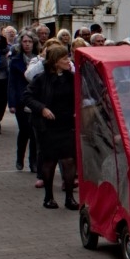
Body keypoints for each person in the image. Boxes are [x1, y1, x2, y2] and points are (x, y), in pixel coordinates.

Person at [25, 43, 77, 209]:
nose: (68, 61)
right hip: (47, 126)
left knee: (69, 160)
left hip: (67, 125)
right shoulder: (41, 79)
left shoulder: (72, 77)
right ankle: (48, 197)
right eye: (64, 58)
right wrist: (42, 109)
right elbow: (27, 97)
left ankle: (69, 197)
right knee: (50, 160)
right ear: (55, 62)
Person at [9, 34, 40, 175]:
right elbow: (11, 83)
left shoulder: (39, 60)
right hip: (21, 99)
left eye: (30, 41)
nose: (27, 44)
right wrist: (12, 103)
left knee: (34, 132)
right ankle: (19, 158)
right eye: (24, 41)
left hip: (35, 99)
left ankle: (33, 161)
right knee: (24, 130)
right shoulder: (15, 60)